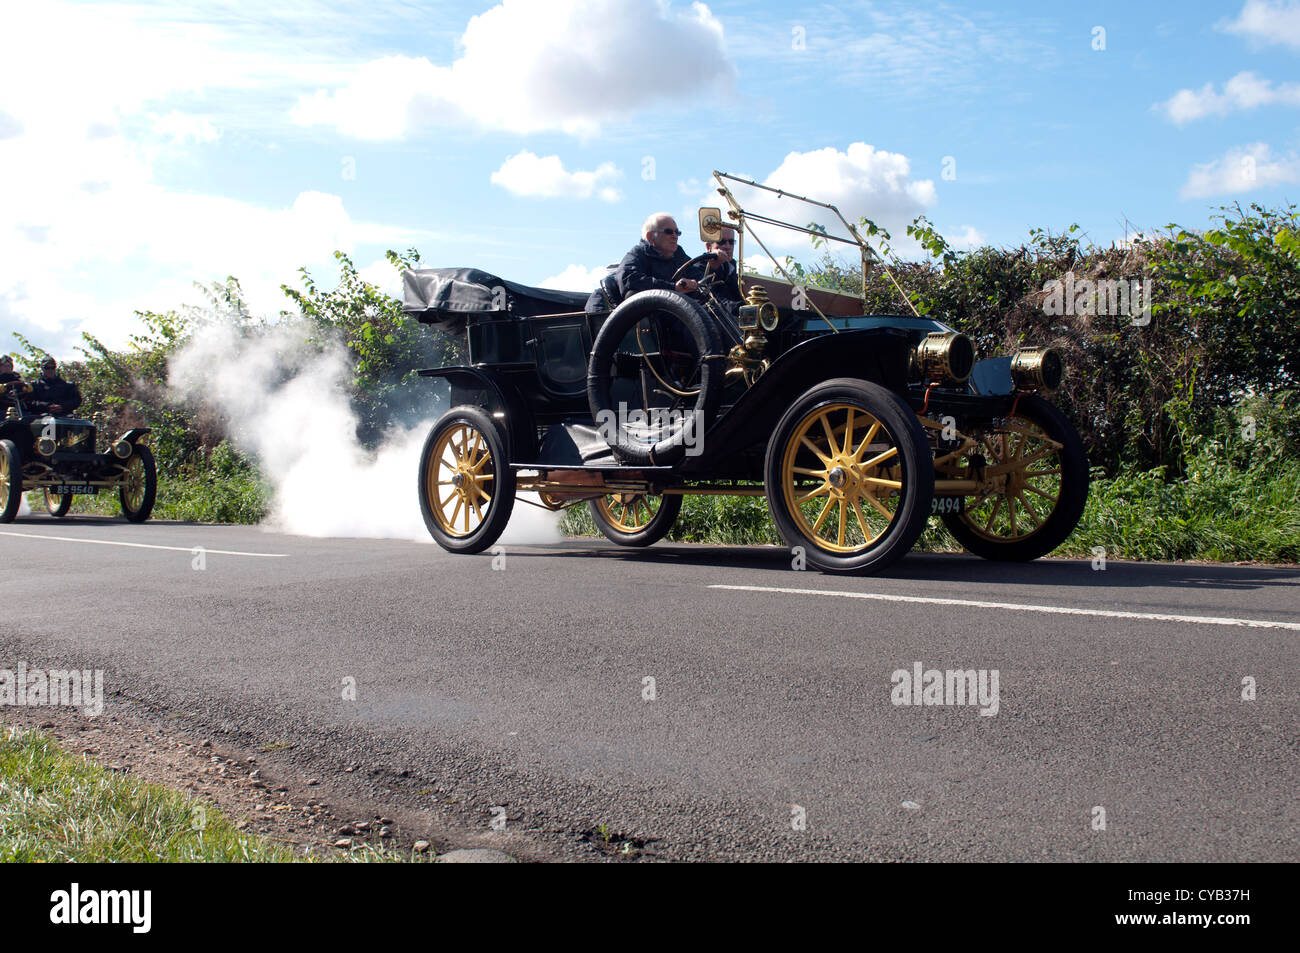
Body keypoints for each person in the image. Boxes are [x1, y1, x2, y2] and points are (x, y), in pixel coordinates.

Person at [585, 213, 698, 314]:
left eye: (677, 232)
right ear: (650, 237)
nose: (675, 236)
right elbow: (630, 280)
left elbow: (699, 274)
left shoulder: (679, 255)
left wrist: (714, 266)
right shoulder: (637, 254)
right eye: (669, 232)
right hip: (621, 316)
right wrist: (673, 288)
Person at [699, 226, 742, 303]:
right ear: (709, 246)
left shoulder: (733, 270)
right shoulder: (697, 268)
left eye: (731, 242)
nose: (727, 246)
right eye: (721, 242)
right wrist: (713, 267)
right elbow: (706, 300)